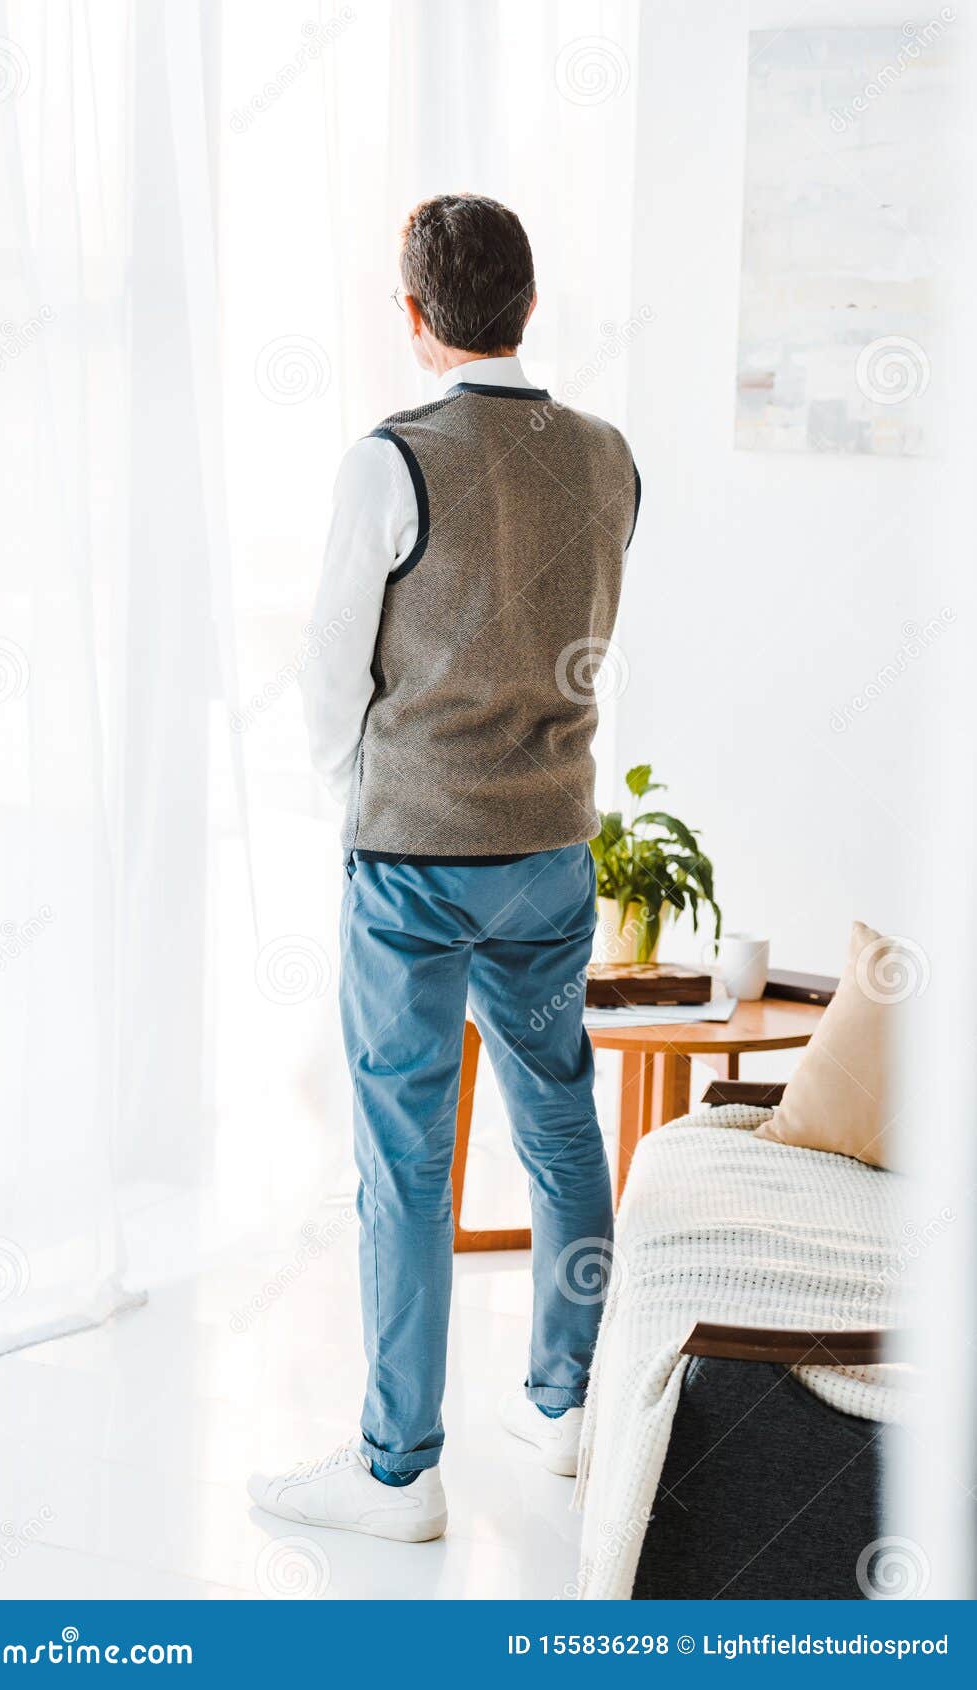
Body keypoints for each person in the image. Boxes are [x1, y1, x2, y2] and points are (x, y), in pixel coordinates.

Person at [249, 193, 640, 1542]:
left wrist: (349, 795)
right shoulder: (607, 457)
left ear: (415, 320)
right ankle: (568, 1403)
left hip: (417, 855)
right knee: (557, 1117)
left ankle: (397, 1470)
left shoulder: (389, 459)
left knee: (406, 1158)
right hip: (551, 844)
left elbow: (329, 668)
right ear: (529, 305)